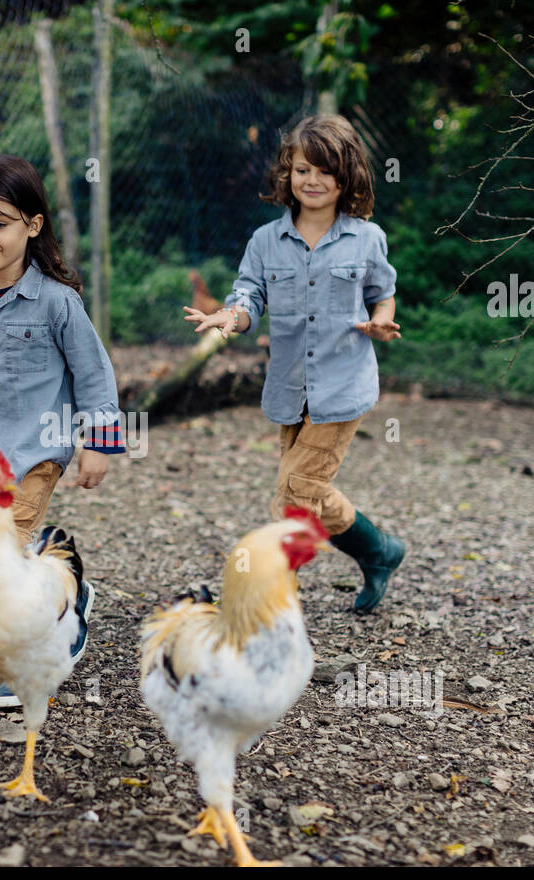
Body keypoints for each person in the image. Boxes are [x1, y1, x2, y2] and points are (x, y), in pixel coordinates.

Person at [184, 114, 405, 612]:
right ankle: (379, 552)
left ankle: (266, 600)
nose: (312, 180)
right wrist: (229, 317)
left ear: (346, 175)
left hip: (343, 385)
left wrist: (380, 322)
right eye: (302, 169)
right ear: (288, 174)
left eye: (324, 171)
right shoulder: (264, 242)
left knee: (295, 494)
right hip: (289, 387)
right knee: (310, 489)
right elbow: (248, 299)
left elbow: (383, 295)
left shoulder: (367, 239)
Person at [0, 154, 125, 705]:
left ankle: (31, 657)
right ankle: (71, 590)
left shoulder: (57, 303)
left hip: (37, 449)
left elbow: (94, 374)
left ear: (32, 225)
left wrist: (99, 443)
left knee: (5, 551)